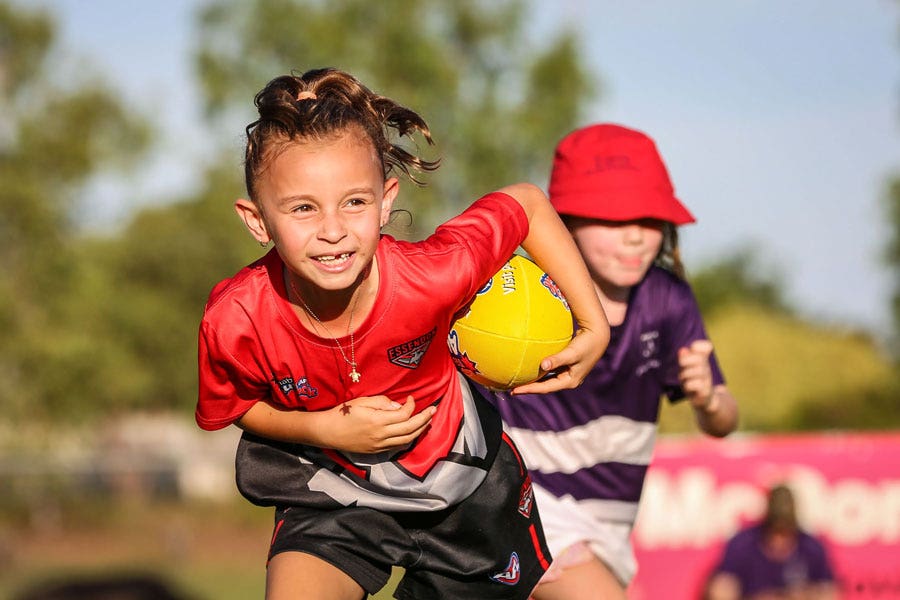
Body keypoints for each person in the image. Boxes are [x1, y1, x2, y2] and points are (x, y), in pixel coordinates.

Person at [194, 68, 610, 600]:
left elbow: (526, 203)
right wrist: (326, 431)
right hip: (334, 489)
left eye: (354, 202)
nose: (332, 229)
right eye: (302, 208)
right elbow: (234, 407)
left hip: (463, 486)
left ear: (385, 200)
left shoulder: (434, 274)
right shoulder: (235, 317)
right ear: (257, 221)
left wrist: (593, 322)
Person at [485, 123, 740, 600]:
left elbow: (724, 422)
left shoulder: (668, 300)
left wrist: (708, 398)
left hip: (610, 527)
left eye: (648, 220)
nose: (635, 239)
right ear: (562, 223)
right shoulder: (521, 296)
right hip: (527, 504)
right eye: (613, 220)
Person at [705, 484, 838, 600]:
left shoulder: (811, 548)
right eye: (775, 531)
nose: (779, 539)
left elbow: (829, 592)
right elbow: (720, 590)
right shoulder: (742, 545)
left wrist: (801, 595)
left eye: (785, 531)